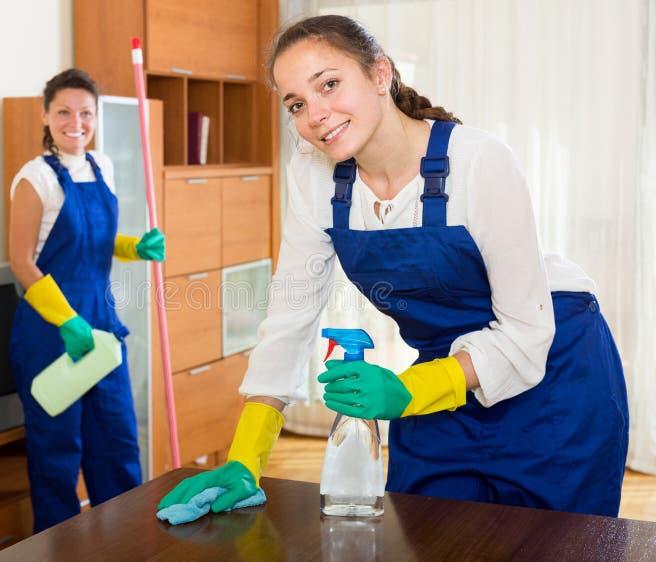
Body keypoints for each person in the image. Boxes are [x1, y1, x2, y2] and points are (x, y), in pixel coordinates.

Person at [159, 15, 629, 517]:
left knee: (553, 544)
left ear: (380, 75)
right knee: (430, 534)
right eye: (296, 103)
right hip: (442, 376)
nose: (315, 113)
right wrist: (246, 459)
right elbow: (290, 315)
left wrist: (405, 390)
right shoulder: (315, 176)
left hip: (553, 373)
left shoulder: (478, 161)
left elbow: (524, 334)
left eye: (330, 84)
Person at [8, 68, 165, 532]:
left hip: (102, 327)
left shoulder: (102, 165)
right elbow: (20, 261)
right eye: (63, 112)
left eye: (85, 113)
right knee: (57, 459)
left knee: (116, 446)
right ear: (46, 115)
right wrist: (65, 321)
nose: (75, 122)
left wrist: (134, 246)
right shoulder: (35, 178)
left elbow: (94, 239)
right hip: (50, 335)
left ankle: (124, 546)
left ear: (95, 117)